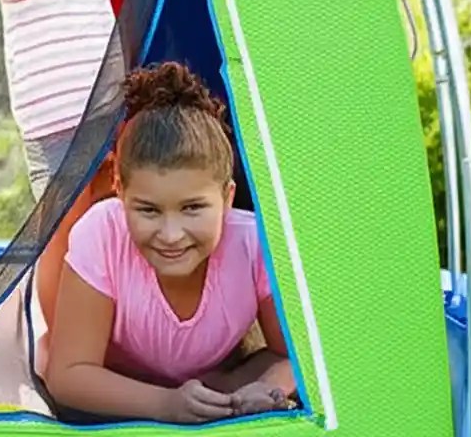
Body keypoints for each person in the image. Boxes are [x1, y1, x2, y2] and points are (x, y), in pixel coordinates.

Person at [43, 62, 296, 424]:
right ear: (120, 193)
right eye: (148, 210)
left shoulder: (253, 244)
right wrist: (165, 406)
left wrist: (264, 387)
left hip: (212, 384)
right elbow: (68, 374)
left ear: (227, 198)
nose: (171, 234)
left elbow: (292, 355)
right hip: (115, 393)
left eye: (193, 208)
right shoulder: (102, 233)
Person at [0, 0, 121, 330]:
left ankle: (101, 327)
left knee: (105, 225)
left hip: (108, 122)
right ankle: (58, 333)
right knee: (64, 230)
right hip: (57, 129)